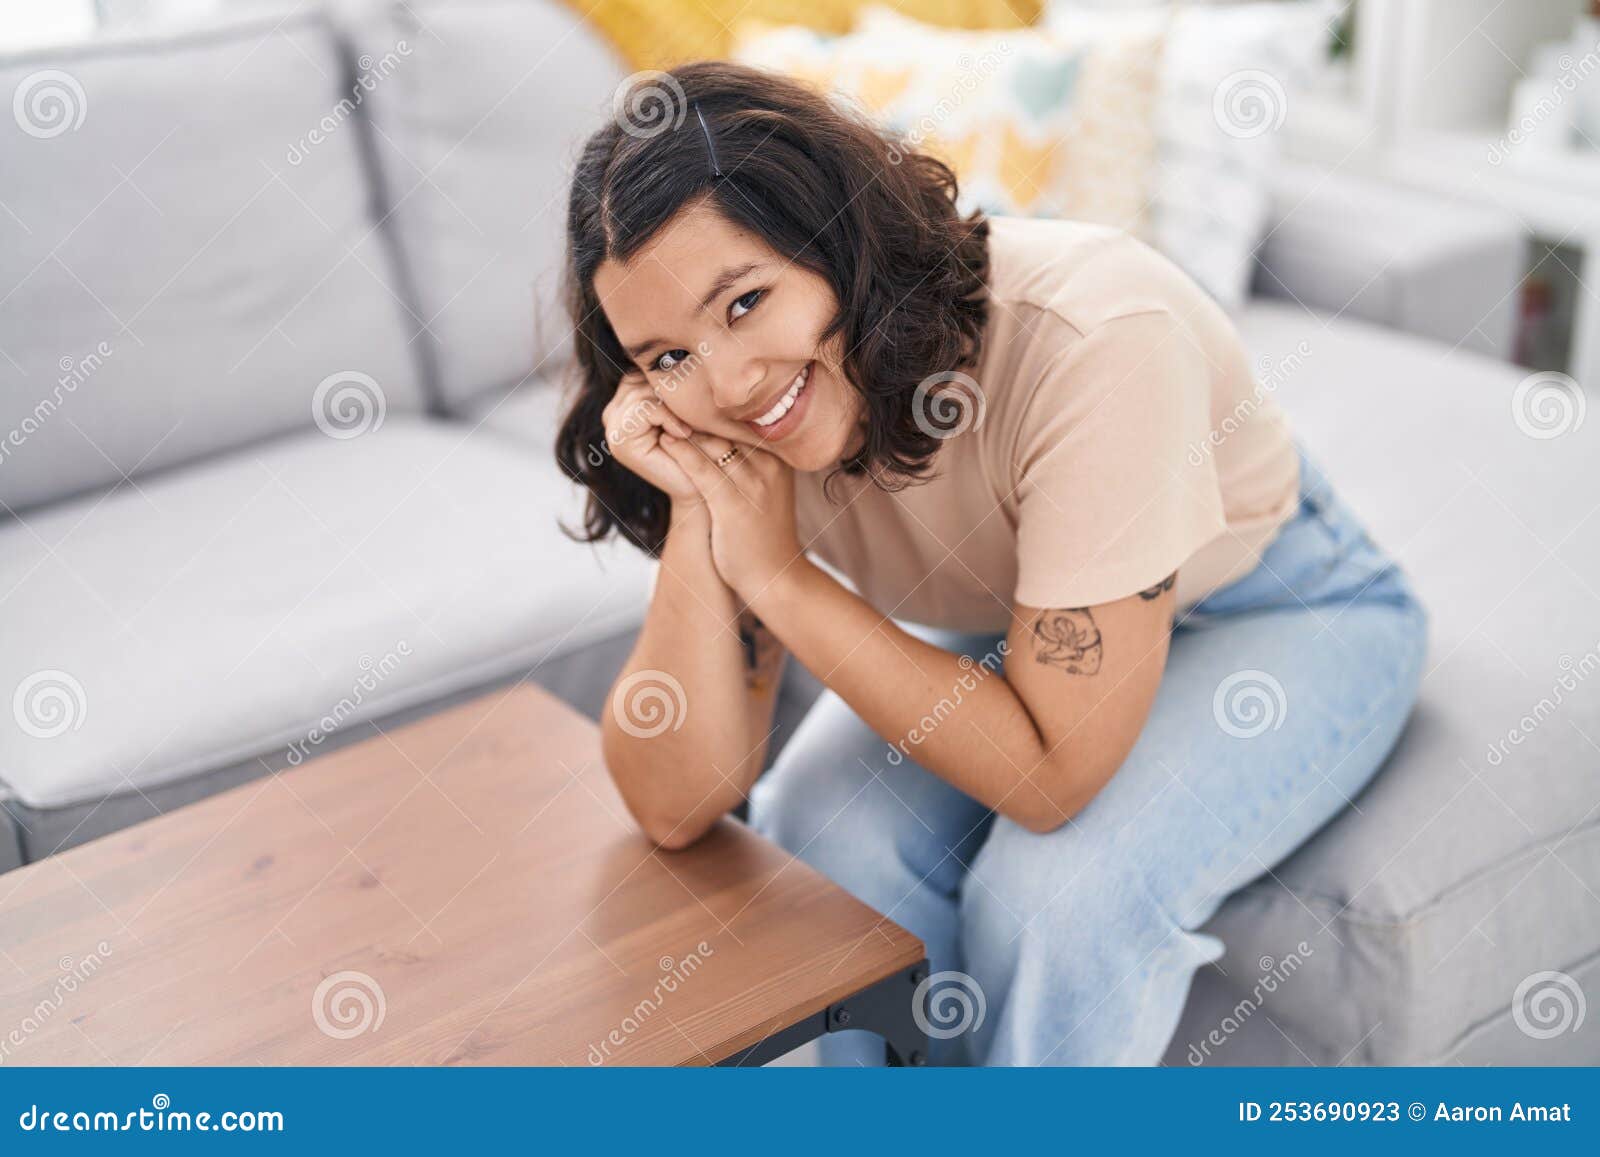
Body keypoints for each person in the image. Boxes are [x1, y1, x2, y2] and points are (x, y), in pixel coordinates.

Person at [554, 61, 1428, 1065]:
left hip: (1271, 605)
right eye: (664, 355)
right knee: (817, 823)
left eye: (745, 301)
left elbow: (1053, 773)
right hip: (1011, 611)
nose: (730, 382)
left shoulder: (1097, 339)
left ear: (839, 243)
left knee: (1058, 898)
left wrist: (780, 578)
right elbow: (674, 800)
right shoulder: (730, 412)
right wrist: (701, 501)